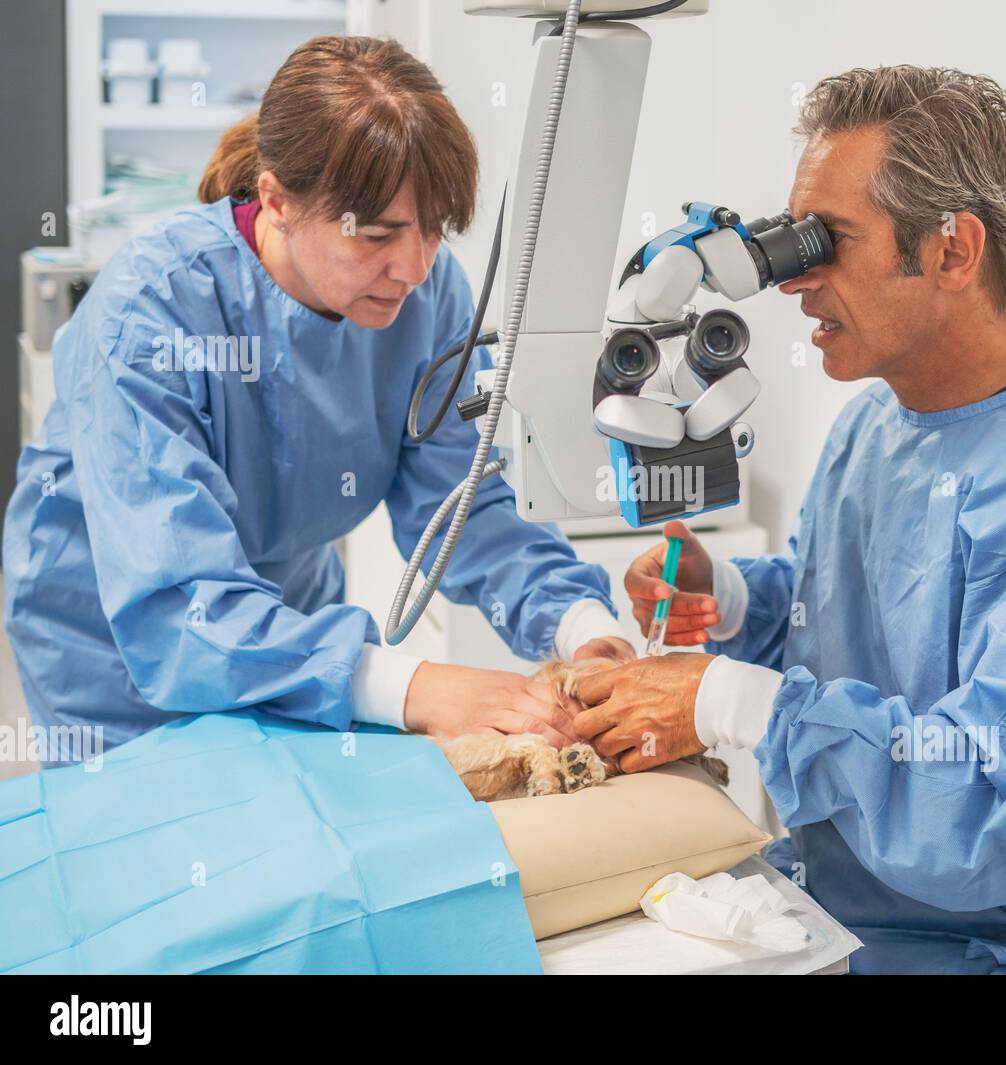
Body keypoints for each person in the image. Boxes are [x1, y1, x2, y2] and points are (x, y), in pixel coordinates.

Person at [573, 65, 1006, 974]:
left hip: (975, 945)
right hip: (840, 906)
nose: (791, 281)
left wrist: (725, 699)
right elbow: (867, 623)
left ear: (952, 251)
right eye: (788, 240)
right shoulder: (878, 419)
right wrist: (732, 598)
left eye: (828, 240)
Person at [2, 36, 632, 762]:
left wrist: (582, 625)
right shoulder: (149, 313)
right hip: (118, 642)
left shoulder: (428, 295)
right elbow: (179, 607)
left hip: (287, 627)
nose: (414, 265)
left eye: (435, 228)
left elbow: (465, 507)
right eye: (379, 234)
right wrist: (419, 687)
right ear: (276, 198)